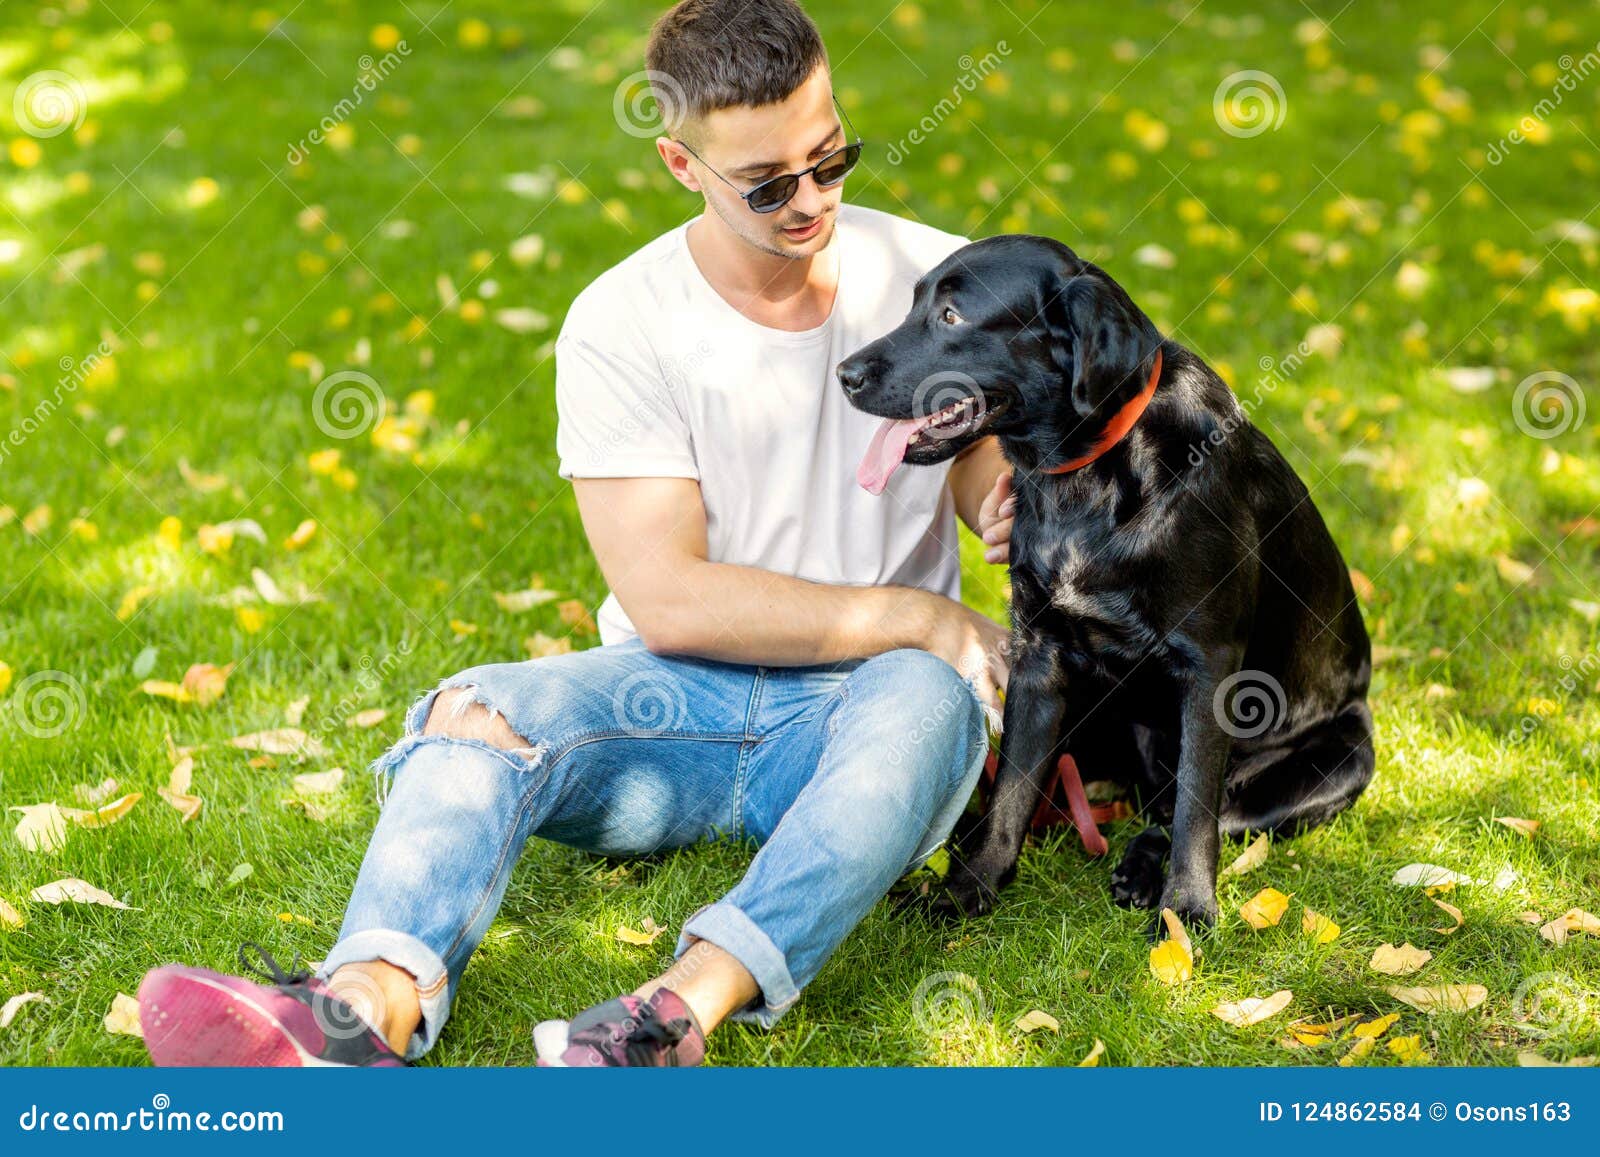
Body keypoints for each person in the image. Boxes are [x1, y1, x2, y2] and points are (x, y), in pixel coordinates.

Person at [137, 0, 1016, 1069]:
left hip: (873, 700)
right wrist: (920, 611)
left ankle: (670, 1014)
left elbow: (977, 454)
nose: (813, 201)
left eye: (830, 158)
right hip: (671, 694)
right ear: (681, 164)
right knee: (478, 710)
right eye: (770, 183)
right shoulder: (623, 318)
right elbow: (671, 599)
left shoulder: (937, 280)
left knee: (931, 697)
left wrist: (996, 501)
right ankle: (358, 1007)